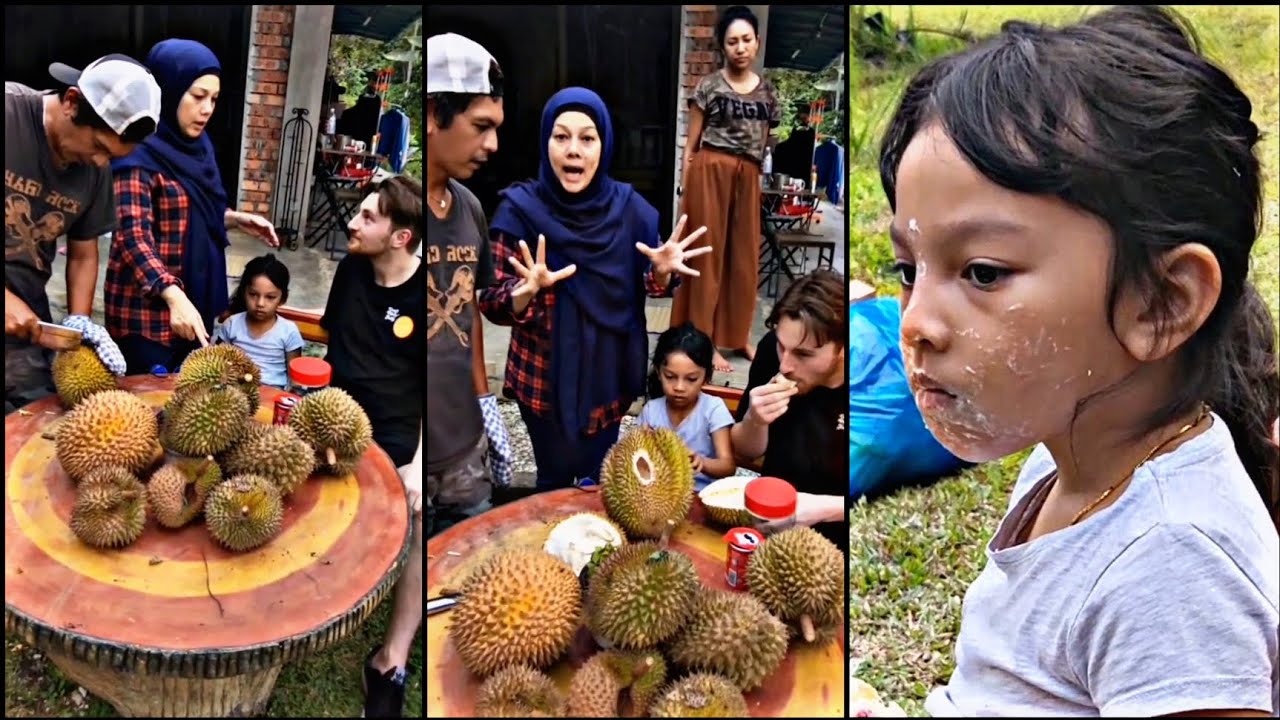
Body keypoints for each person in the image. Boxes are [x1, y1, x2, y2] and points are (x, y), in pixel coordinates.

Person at [876, 7, 1279, 715]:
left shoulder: (1172, 568)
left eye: (983, 272)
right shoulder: (1062, 458)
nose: (915, 324)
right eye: (908, 270)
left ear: (1162, 303)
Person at [479, 86, 710, 491]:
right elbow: (493, 301)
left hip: (609, 374)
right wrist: (526, 290)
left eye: (587, 138)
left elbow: (649, 282)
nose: (574, 150)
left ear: (604, 145)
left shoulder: (631, 211)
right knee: (551, 480)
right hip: (541, 379)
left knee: (597, 483)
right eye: (561, 136)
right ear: (545, 142)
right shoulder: (519, 211)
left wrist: (660, 273)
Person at [107, 39, 279, 376]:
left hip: (192, 312)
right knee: (145, 404)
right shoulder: (136, 153)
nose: (207, 109)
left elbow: (190, 215)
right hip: (145, 319)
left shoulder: (199, 148)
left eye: (213, 99)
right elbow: (133, 236)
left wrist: (233, 219)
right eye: (198, 96)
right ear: (167, 91)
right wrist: (173, 295)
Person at [5, 54, 159, 413]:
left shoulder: (95, 169)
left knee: (36, 420)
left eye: (113, 157)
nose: (102, 163)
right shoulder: (10, 115)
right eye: (100, 147)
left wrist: (79, 322)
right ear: (72, 102)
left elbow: (84, 254)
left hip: (25, 315)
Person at [671, 5, 781, 373]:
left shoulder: (768, 93)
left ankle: (737, 335)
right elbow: (692, 143)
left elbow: (765, 141)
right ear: (723, 46)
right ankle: (705, 341)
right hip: (710, 171)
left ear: (757, 42)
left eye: (746, 39)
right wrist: (687, 185)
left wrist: (756, 177)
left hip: (747, 176)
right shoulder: (709, 86)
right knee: (708, 256)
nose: (740, 47)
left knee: (744, 259)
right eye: (732, 41)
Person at [731, 269, 848, 551]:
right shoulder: (770, 353)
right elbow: (745, 451)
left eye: (803, 354)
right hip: (771, 531)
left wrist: (825, 509)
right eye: (782, 347)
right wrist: (755, 420)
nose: (785, 366)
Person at [637, 322, 737, 490]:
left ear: (706, 377)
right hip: (659, 493)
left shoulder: (713, 409)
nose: (679, 387)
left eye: (691, 379)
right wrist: (643, 447)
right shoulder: (651, 411)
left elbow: (727, 466)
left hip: (701, 494)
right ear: (659, 373)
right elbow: (634, 461)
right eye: (670, 377)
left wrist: (701, 462)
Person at [212, 254, 303, 390]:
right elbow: (216, 363)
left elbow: (296, 379)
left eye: (270, 297)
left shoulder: (288, 331)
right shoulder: (231, 324)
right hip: (234, 392)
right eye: (253, 294)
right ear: (244, 293)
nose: (260, 303)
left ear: (283, 299)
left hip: (273, 394)